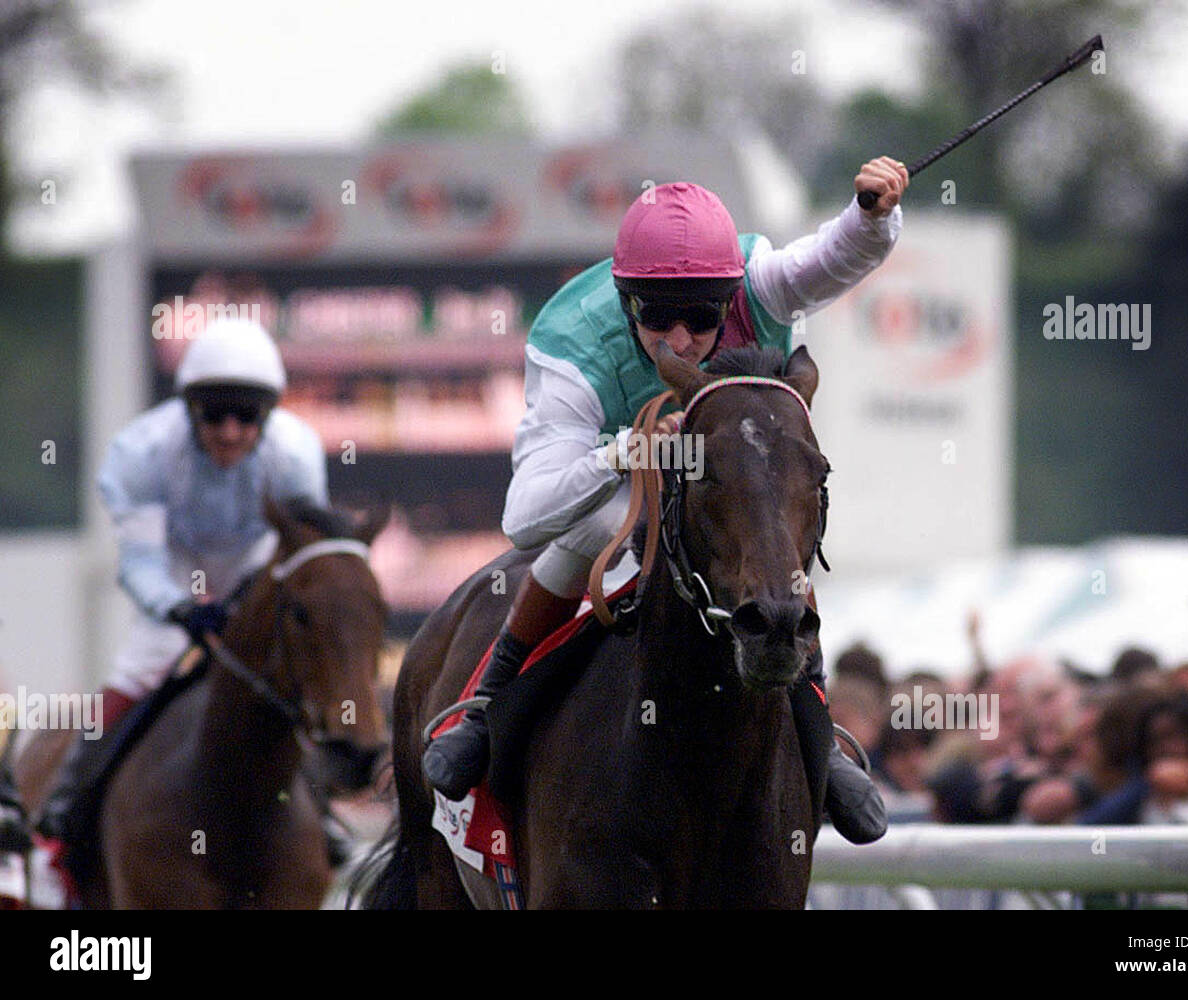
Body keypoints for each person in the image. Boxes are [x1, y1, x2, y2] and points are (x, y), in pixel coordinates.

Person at [424, 159, 909, 843]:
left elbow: (835, 256)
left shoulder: (756, 282)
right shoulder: (571, 349)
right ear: (627, 304)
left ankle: (819, 742)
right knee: (589, 530)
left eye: (703, 316)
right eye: (657, 316)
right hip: (616, 473)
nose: (681, 338)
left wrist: (872, 214)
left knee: (767, 520)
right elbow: (523, 515)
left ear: (728, 297)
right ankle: (491, 705)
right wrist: (628, 450)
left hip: (729, 471)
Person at [32, 317, 328, 849]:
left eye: (246, 416)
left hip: (253, 564)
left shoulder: (298, 453)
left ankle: (323, 811)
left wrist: (250, 598)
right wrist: (181, 609)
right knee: (137, 671)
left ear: (269, 414)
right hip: (172, 564)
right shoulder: (142, 451)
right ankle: (65, 802)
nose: (231, 432)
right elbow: (140, 561)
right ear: (190, 408)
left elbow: (302, 554)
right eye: (216, 416)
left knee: (290, 681)